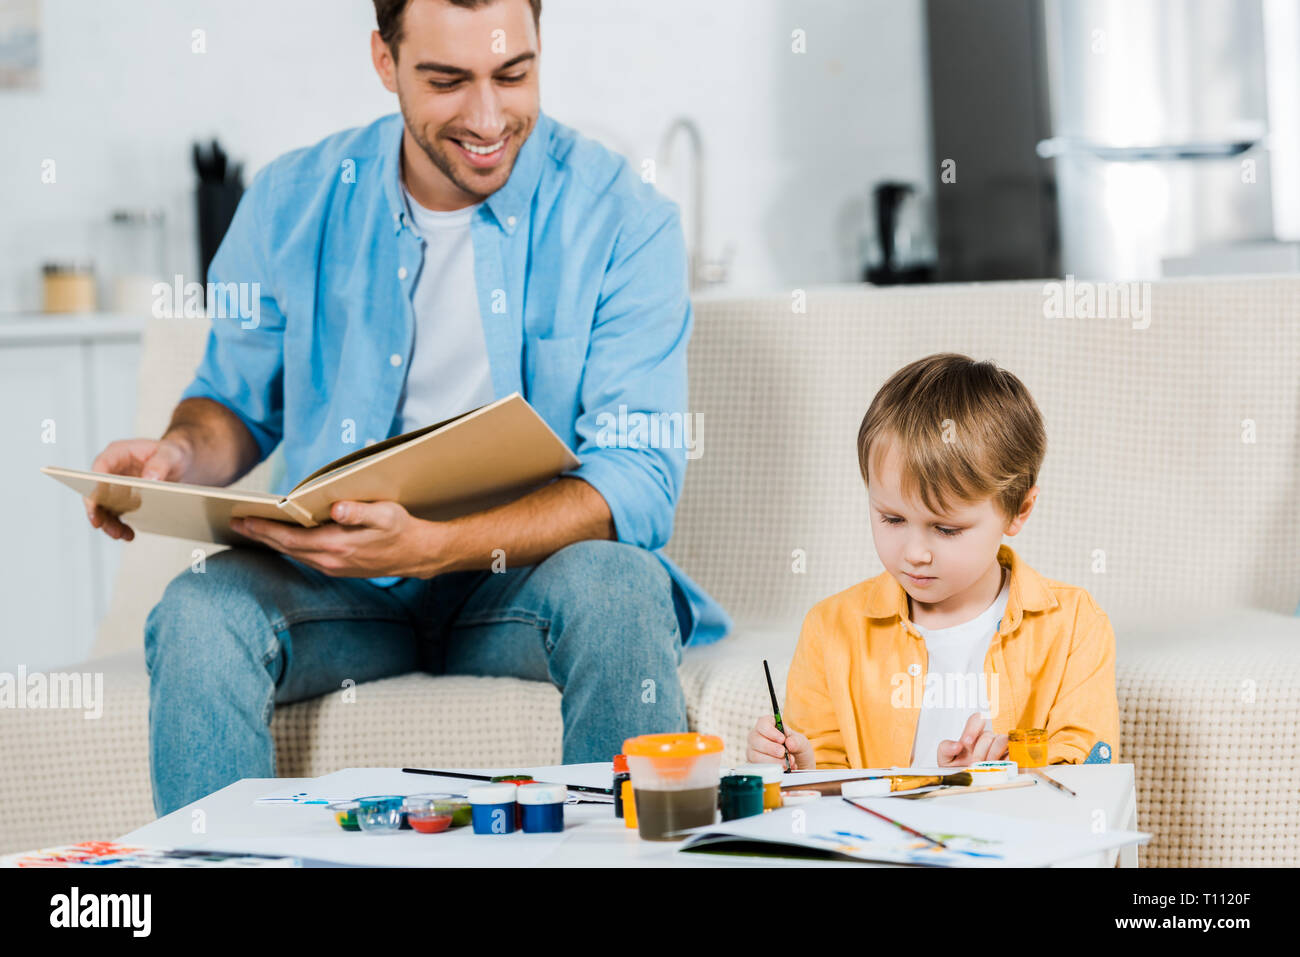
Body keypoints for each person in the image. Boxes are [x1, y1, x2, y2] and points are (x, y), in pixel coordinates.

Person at [84, 0, 729, 816]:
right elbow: (233, 406)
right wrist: (175, 458)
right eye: (448, 80)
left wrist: (437, 545)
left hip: (517, 588)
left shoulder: (624, 219)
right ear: (385, 62)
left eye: (514, 74)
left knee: (622, 589)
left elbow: (638, 481)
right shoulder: (292, 199)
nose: (489, 117)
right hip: (342, 586)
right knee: (198, 610)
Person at [747, 353, 1118, 770]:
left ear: (1020, 510)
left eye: (946, 529)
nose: (914, 553)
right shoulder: (830, 630)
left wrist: (1003, 767)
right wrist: (801, 768)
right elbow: (825, 788)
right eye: (892, 519)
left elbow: (1089, 769)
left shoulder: (1074, 626)